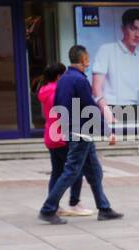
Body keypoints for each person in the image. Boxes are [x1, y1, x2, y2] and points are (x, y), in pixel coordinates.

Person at [38, 45, 123, 225]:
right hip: (80, 132)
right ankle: (48, 209)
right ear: (84, 59)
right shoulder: (79, 80)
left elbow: (58, 105)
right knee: (71, 172)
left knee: (95, 172)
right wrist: (108, 132)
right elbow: (90, 108)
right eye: (88, 58)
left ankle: (104, 208)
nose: (89, 62)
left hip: (73, 130)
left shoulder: (64, 80)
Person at [37, 63, 92, 217]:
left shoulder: (44, 91)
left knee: (57, 172)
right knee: (75, 170)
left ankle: (55, 205)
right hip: (62, 135)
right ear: (59, 77)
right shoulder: (58, 91)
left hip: (50, 135)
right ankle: (74, 203)